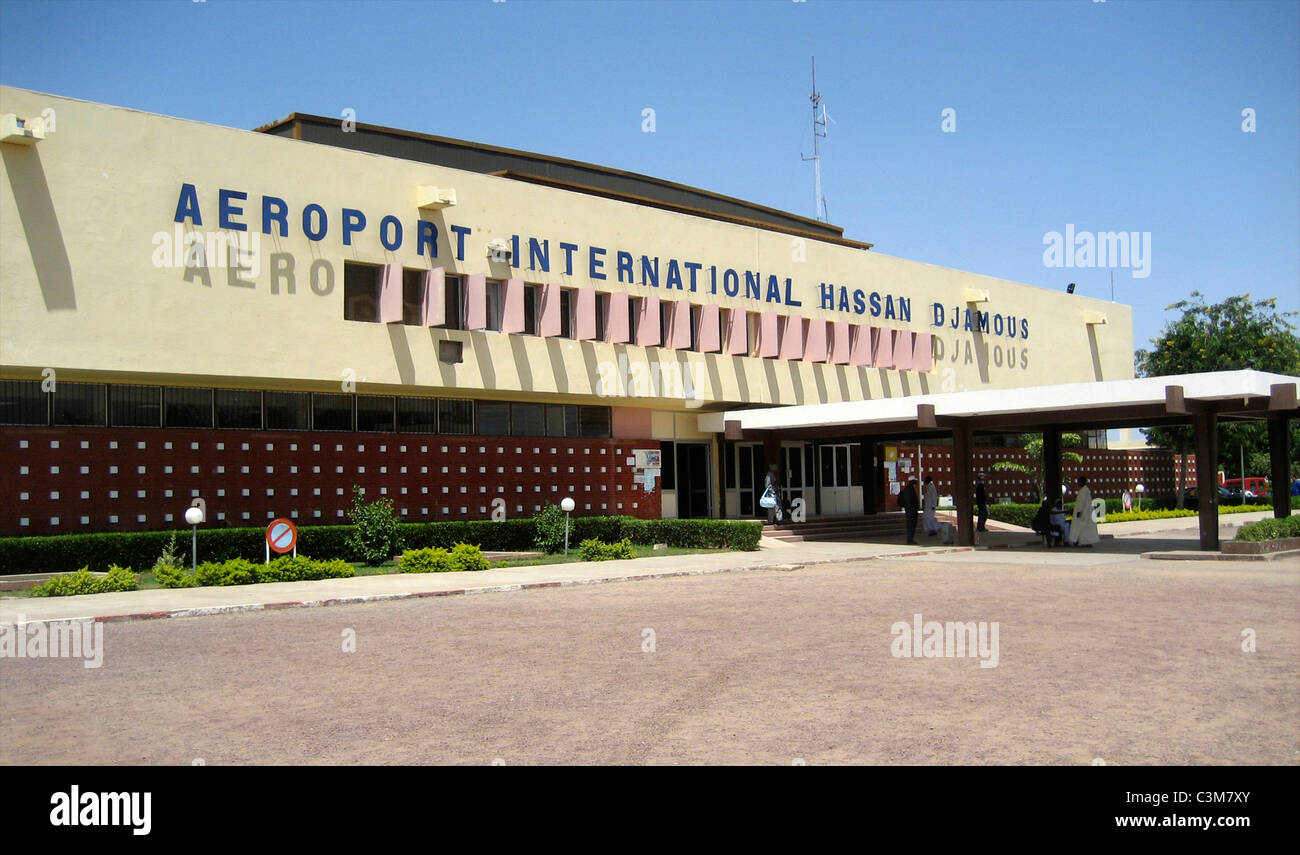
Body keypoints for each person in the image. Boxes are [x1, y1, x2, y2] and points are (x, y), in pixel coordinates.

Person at [1070, 476, 1099, 547]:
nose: (1077, 483)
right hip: (1087, 513)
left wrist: (1079, 511)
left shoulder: (1083, 491)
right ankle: (1085, 541)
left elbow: (1081, 503)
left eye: (1079, 481)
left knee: (1081, 528)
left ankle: (1082, 541)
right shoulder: (1085, 491)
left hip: (1083, 514)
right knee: (1086, 528)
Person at [899, 477, 920, 545]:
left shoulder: (910, 489)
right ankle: (910, 540)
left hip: (911, 511)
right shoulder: (908, 489)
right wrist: (912, 509)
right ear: (911, 481)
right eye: (914, 481)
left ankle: (911, 539)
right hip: (910, 511)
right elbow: (909, 501)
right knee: (911, 525)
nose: (915, 483)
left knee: (912, 525)